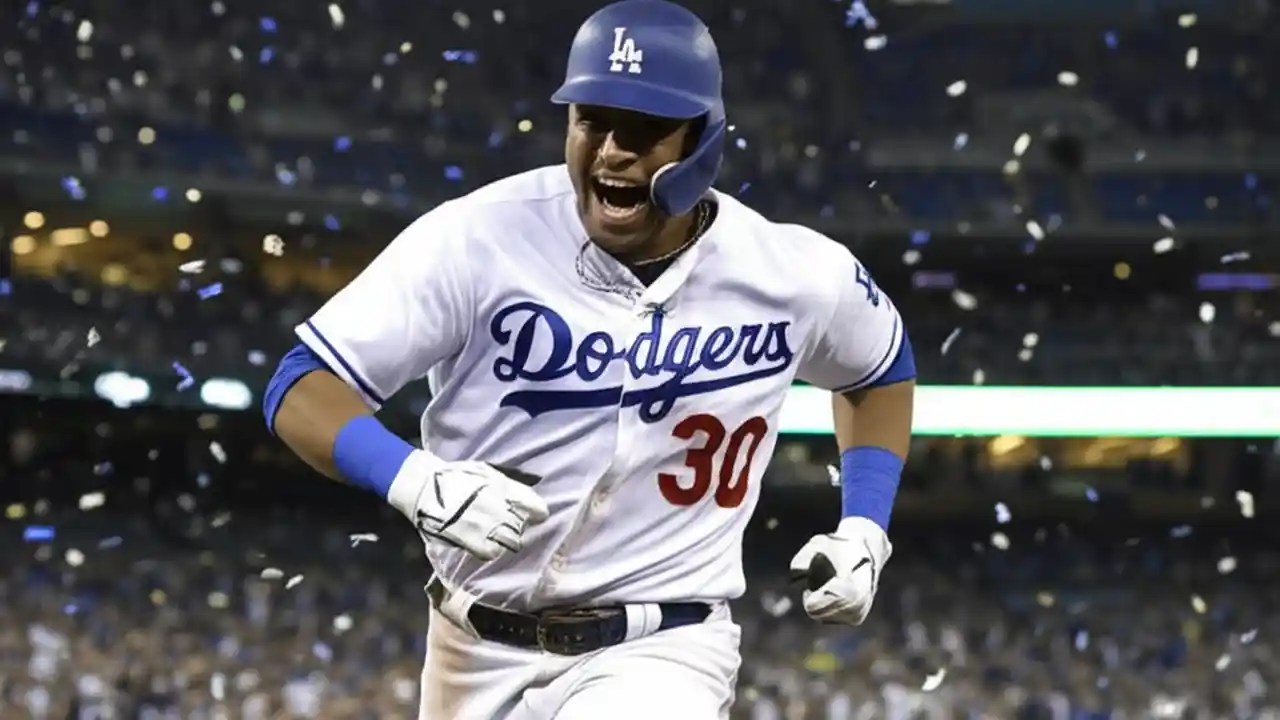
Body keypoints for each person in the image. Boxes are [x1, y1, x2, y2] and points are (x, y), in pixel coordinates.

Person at [261, 1, 916, 717]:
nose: (610, 152)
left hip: (663, 646)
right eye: (591, 121)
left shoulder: (791, 272)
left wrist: (865, 526)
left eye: (643, 130)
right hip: (469, 646)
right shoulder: (479, 237)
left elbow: (879, 368)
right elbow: (300, 385)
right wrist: (412, 478)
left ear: (704, 140)